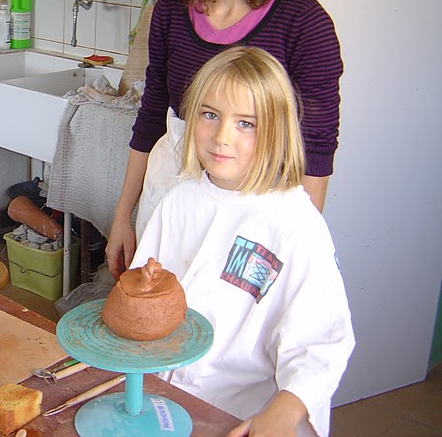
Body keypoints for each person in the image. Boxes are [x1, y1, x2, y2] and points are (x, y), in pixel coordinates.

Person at [107, 0, 343, 279]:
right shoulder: (171, 11)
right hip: (170, 197)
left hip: (256, 211)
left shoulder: (305, 25)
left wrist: (301, 252)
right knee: (159, 320)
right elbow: (150, 118)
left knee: (233, 334)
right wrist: (123, 216)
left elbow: (316, 149)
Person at [132, 46, 354, 437]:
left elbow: (322, 342)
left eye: (246, 123)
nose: (222, 137)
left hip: (246, 417)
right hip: (163, 398)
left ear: (277, 130)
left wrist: (285, 411)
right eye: (210, 114)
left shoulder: (295, 223)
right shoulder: (178, 201)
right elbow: (141, 295)